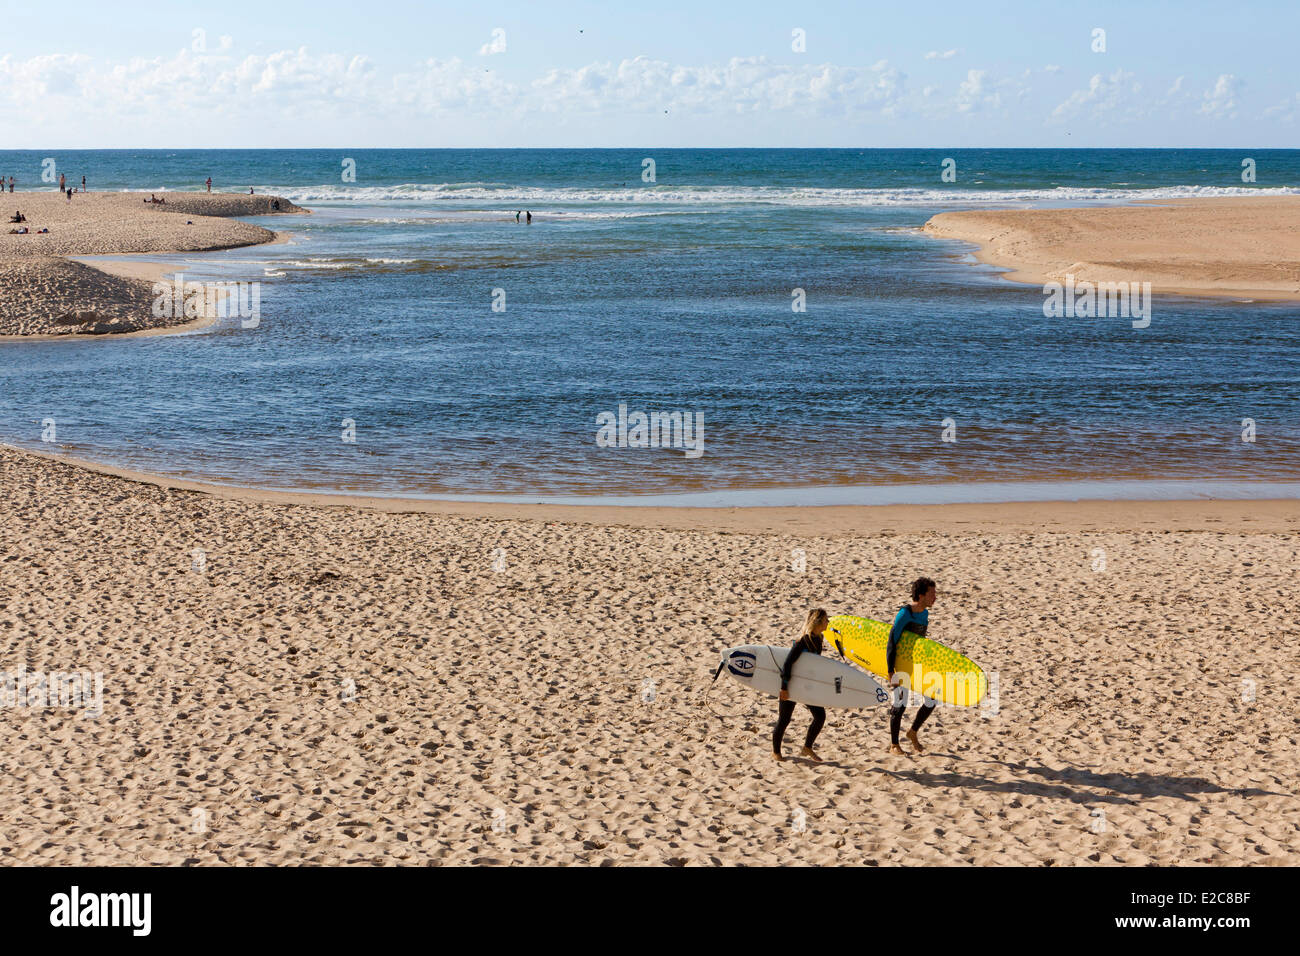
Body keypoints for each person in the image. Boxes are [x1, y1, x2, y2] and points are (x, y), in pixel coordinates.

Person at [886, 577, 938, 755]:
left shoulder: (924, 614)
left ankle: (912, 732)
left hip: (916, 664)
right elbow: (892, 641)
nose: (935, 597)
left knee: (932, 698)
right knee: (900, 704)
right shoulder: (904, 613)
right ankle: (894, 745)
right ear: (921, 595)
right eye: (932, 593)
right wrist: (890, 670)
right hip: (900, 664)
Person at [772, 608, 830, 762]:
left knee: (820, 716)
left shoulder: (818, 639)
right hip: (790, 683)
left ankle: (807, 748)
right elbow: (788, 664)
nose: (828, 622)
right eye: (825, 619)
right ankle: (776, 752)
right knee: (784, 719)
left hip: (805, 685)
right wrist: (784, 688)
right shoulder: (803, 641)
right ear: (817, 622)